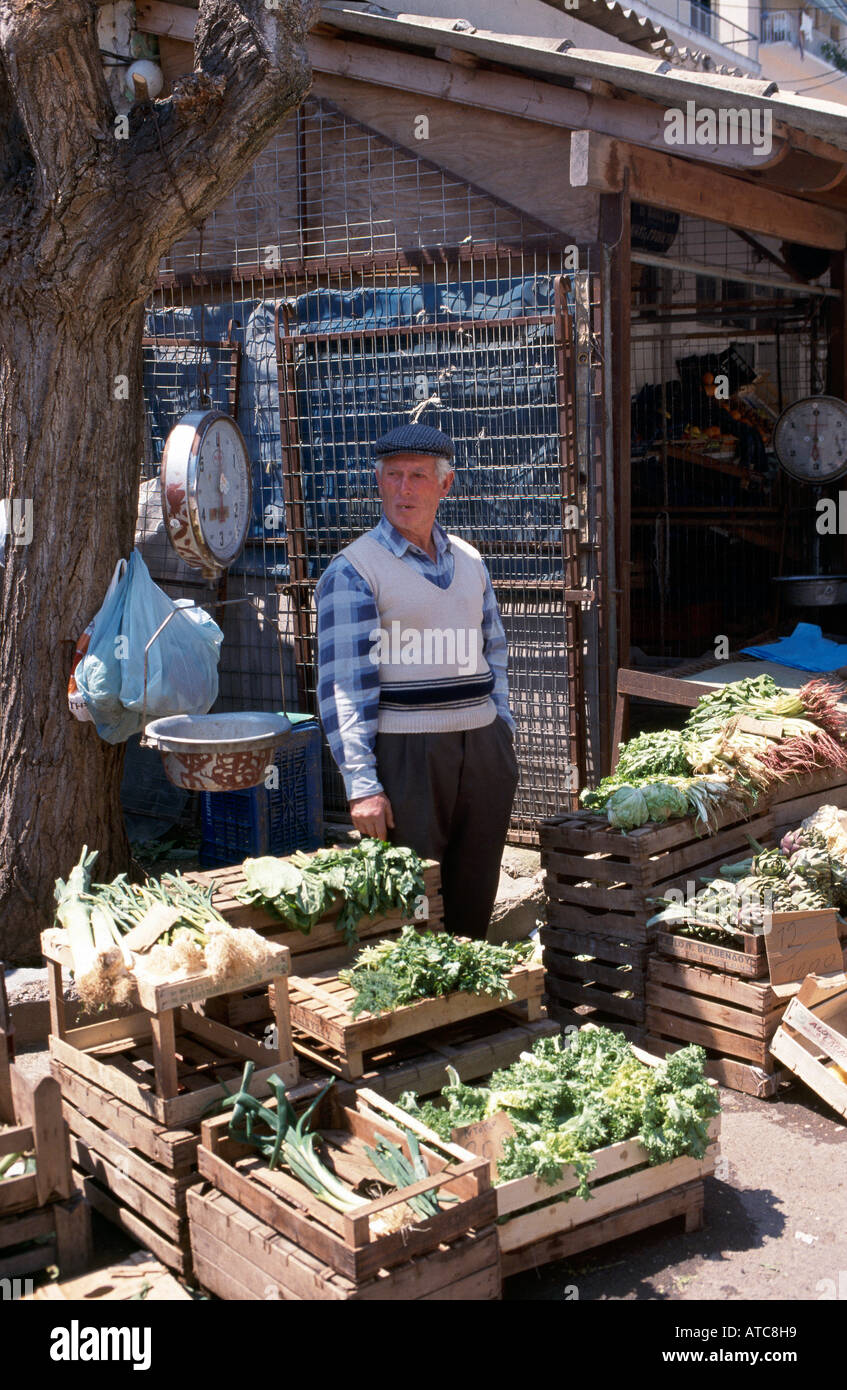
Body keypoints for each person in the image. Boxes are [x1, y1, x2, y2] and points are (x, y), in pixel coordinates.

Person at [315, 423, 518, 939]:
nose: (405, 490)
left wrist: (502, 730)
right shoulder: (355, 570)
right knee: (413, 902)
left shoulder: (470, 560)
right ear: (378, 483)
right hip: (407, 756)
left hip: (483, 750)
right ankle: (416, 1014)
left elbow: (493, 649)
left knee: (475, 891)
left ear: (444, 486)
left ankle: (468, 1004)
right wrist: (363, 786)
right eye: (393, 477)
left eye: (418, 477)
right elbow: (344, 686)